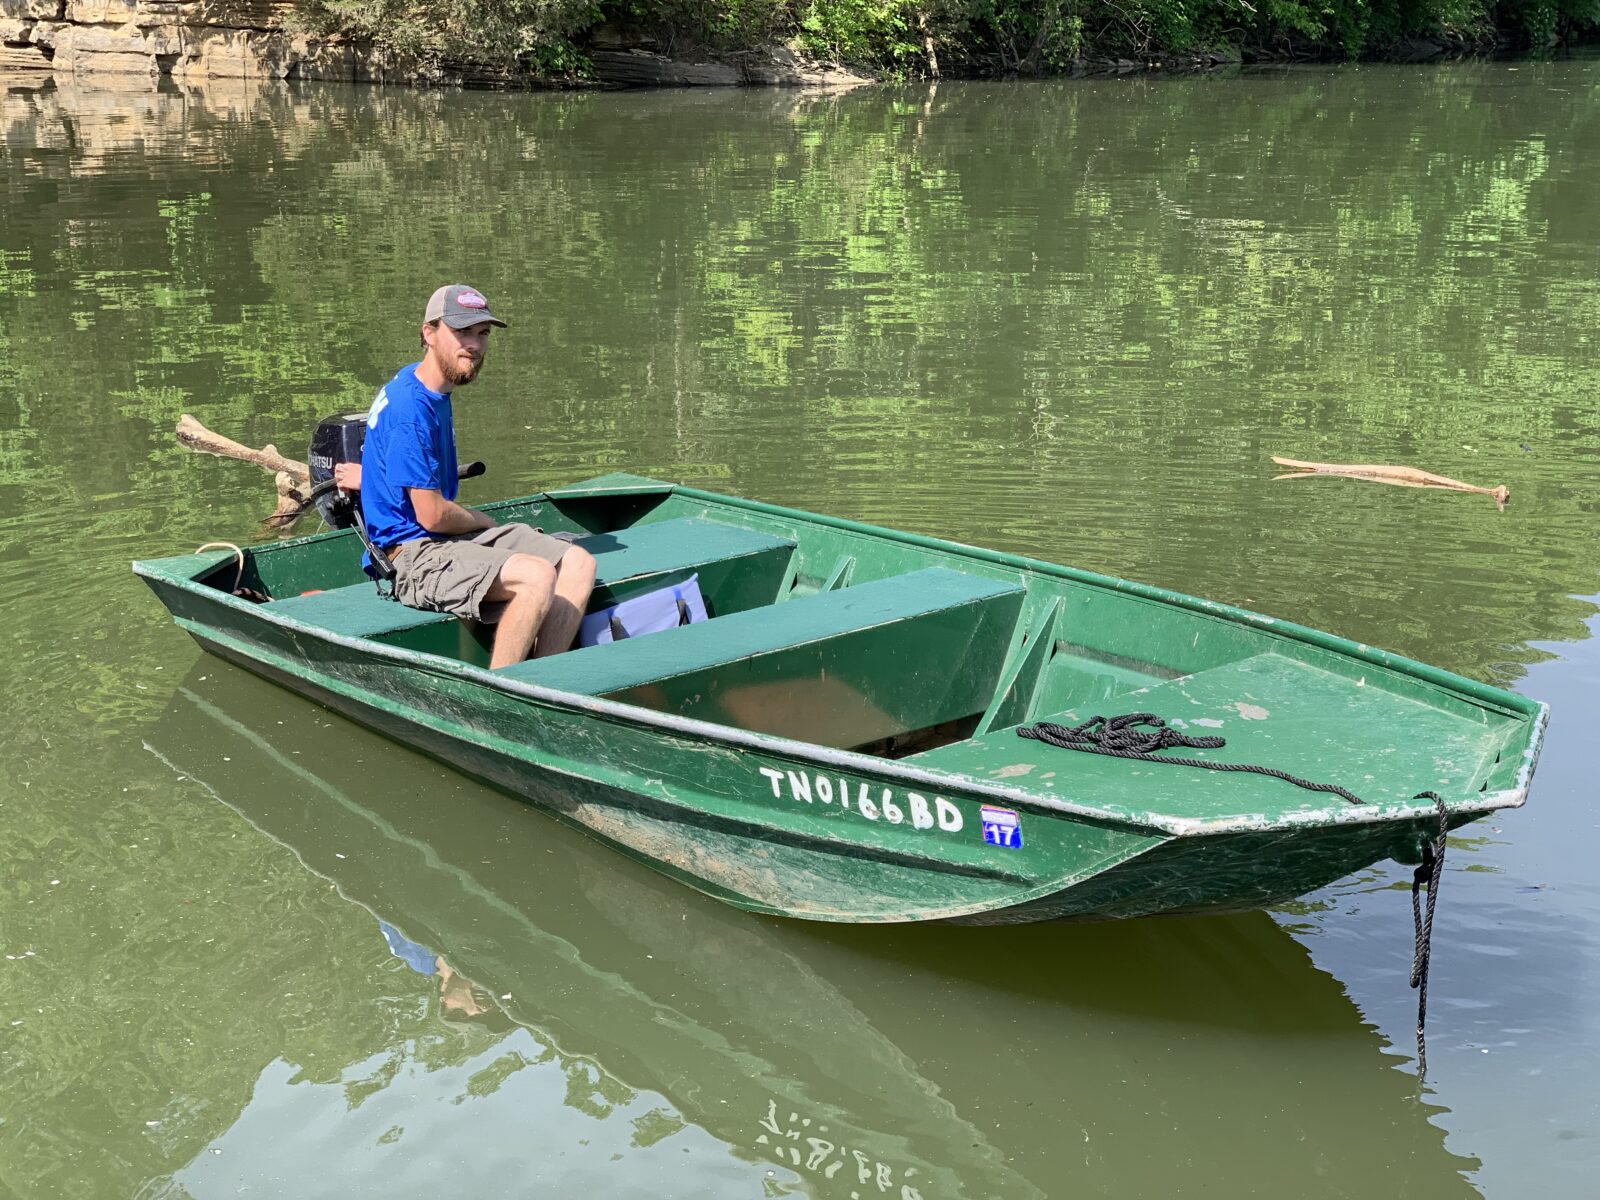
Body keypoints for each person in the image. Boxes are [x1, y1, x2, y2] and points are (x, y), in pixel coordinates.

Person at [335, 284, 595, 668]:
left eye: (482, 333)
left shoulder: (423, 385)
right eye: (462, 332)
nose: (474, 344)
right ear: (429, 333)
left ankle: (546, 675)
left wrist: (371, 479)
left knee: (578, 563)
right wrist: (483, 521)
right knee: (536, 575)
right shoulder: (410, 409)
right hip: (415, 556)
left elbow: (394, 463)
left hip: (447, 539)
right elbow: (432, 515)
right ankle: (505, 690)